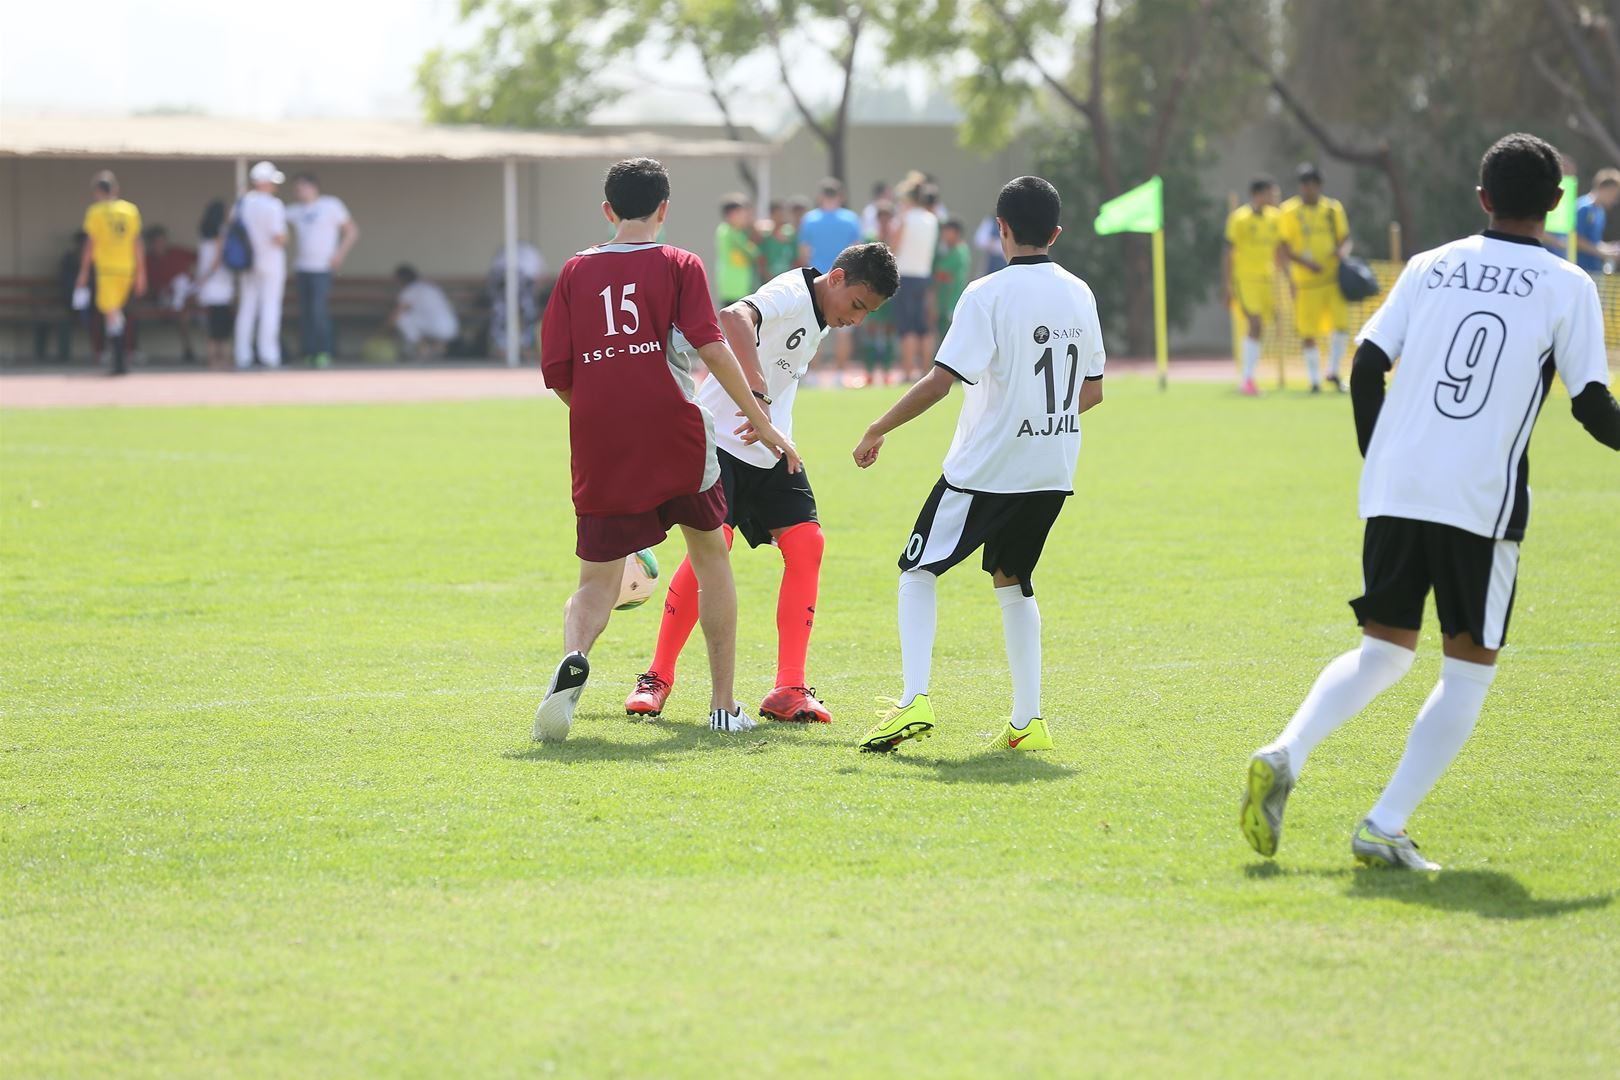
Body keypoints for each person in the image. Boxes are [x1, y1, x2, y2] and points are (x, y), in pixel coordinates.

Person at [1240, 133, 1620, 871]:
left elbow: (1365, 366)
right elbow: (1594, 409)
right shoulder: (1569, 283)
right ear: (1554, 203)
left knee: (1381, 651)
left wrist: (1377, 458)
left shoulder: (1429, 265)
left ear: (1481, 197)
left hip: (1397, 488)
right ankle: (1383, 824)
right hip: (1478, 500)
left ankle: (1286, 751)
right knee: (1468, 671)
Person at [532, 157, 802, 742]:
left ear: (607, 211)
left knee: (594, 583)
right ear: (664, 210)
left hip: (600, 437)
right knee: (711, 559)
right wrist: (765, 420)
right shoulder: (680, 263)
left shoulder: (576, 271)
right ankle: (723, 706)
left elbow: (557, 374)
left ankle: (573, 658)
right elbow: (714, 349)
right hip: (675, 431)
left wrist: (606, 415)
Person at [850, 175, 1107, 754]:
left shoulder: (986, 294)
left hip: (986, 468)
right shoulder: (1080, 293)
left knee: (916, 571)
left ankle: (914, 699)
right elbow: (1091, 390)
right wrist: (1041, 419)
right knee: (1014, 582)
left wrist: (878, 427)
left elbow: (941, 382)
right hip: (1052, 468)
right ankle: (1028, 720)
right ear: (1056, 233)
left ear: (1002, 229)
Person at [625, 242, 899, 725]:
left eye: (867, 313)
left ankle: (789, 687)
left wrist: (772, 418)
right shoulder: (794, 290)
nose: (856, 319)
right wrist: (757, 394)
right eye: (857, 305)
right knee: (716, 547)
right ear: (836, 278)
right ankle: (657, 677)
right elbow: (733, 318)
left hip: (771, 447)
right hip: (719, 441)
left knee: (807, 543)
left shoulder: (820, 314)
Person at [1278, 164, 1353, 392]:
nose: (1306, 190)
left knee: (1341, 326)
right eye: (1303, 185)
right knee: (1307, 331)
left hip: (1333, 281)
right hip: (1306, 284)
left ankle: (1332, 371)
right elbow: (1283, 247)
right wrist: (1305, 265)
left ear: (1319, 186)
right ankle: (1314, 381)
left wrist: (1342, 252)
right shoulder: (1289, 211)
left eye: (1311, 185)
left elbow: (1346, 239)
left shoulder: (1332, 209)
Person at [74, 170, 146, 377]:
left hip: (106, 269)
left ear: (98, 191)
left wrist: (84, 271)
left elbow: (90, 243)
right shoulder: (130, 210)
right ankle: (119, 357)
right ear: (115, 189)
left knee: (111, 312)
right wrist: (142, 274)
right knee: (115, 311)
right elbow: (137, 243)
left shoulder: (95, 212)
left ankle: (119, 359)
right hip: (127, 268)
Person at [285, 173, 359, 369]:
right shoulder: (295, 210)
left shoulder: (331, 205)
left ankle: (324, 351)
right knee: (306, 312)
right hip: (302, 268)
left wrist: (339, 255)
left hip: (322, 269)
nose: (299, 193)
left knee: (319, 311)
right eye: (296, 189)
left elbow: (351, 231)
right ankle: (309, 352)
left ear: (313, 187)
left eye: (302, 188)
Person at [1223, 175, 1284, 396]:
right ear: (1258, 194)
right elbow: (1229, 254)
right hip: (1245, 279)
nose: (1274, 197)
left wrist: (1286, 278)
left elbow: (1279, 250)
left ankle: (1250, 378)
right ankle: (1246, 380)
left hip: (1266, 281)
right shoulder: (1239, 218)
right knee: (1255, 324)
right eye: (1271, 193)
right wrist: (1227, 286)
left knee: (1260, 328)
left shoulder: (1275, 218)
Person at [798, 179, 863, 377]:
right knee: (845, 327)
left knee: (814, 327)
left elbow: (803, 251)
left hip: (818, 278)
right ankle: (840, 374)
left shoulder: (809, 219)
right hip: (845, 278)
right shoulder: (851, 219)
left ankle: (814, 374)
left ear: (820, 197)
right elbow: (857, 248)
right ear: (840, 197)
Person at [233, 161, 288, 369]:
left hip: (247, 263)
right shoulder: (273, 205)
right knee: (270, 307)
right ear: (262, 182)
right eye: (271, 182)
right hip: (270, 262)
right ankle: (269, 355)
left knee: (247, 308)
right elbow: (279, 237)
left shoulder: (242, 203)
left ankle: (243, 355)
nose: (274, 186)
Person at [891, 179, 940, 382]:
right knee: (923, 326)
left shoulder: (905, 219)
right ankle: (926, 370)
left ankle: (908, 370)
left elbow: (894, 247)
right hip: (923, 275)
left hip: (904, 275)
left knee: (907, 326)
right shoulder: (932, 219)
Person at [142, 226, 197, 362]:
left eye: (162, 241)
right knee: (181, 311)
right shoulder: (148, 260)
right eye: (157, 242)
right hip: (164, 300)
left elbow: (203, 258)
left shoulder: (176, 252)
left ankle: (189, 349)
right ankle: (188, 349)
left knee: (183, 286)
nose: (160, 244)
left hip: (187, 298)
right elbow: (146, 288)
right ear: (151, 244)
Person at [192, 200, 235, 371]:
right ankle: (220, 360)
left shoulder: (203, 231)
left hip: (207, 284)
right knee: (221, 327)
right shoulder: (221, 231)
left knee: (212, 326)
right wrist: (206, 277)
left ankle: (213, 360)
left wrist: (201, 279)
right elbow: (217, 260)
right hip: (219, 283)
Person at [36, 232, 88, 362]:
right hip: (69, 302)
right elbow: (66, 285)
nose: (83, 247)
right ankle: (45, 357)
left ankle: (101, 354)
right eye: (81, 244)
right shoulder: (69, 259)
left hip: (91, 304)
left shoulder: (95, 259)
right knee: (50, 317)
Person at [488, 242, 546, 357]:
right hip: (521, 278)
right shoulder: (531, 251)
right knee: (527, 314)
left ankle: (503, 348)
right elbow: (539, 279)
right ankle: (523, 347)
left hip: (502, 278)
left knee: (501, 314)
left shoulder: (505, 249)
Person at [390, 264, 459, 358]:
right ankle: (438, 348)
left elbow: (397, 314)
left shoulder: (410, 290)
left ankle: (422, 347)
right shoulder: (431, 287)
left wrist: (381, 332)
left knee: (402, 319)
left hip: (437, 329)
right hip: (451, 327)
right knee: (420, 317)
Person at [1571, 168, 1620, 273]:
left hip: (1594, 270)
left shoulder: (1600, 211)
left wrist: (1609, 248)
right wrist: (1602, 253)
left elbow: (1593, 242)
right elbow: (1575, 239)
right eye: (1612, 194)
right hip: (1580, 269)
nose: (1614, 200)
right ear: (1602, 189)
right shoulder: (1583, 208)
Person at [715, 194, 760, 306]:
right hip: (733, 287)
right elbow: (753, 253)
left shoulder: (737, 232)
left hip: (740, 286)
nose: (744, 216)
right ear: (731, 214)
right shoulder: (729, 232)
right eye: (740, 213)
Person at [933, 218, 971, 341]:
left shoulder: (959, 251)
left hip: (952, 303)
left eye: (947, 231)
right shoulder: (949, 250)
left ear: (956, 233)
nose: (943, 235)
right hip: (944, 302)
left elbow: (939, 271)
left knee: (949, 339)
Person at [757, 200, 799, 280]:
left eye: (782, 214)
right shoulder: (765, 237)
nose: (781, 217)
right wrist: (767, 277)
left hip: (787, 279)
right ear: (771, 215)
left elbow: (795, 259)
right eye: (777, 214)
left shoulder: (791, 235)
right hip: (769, 280)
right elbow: (762, 260)